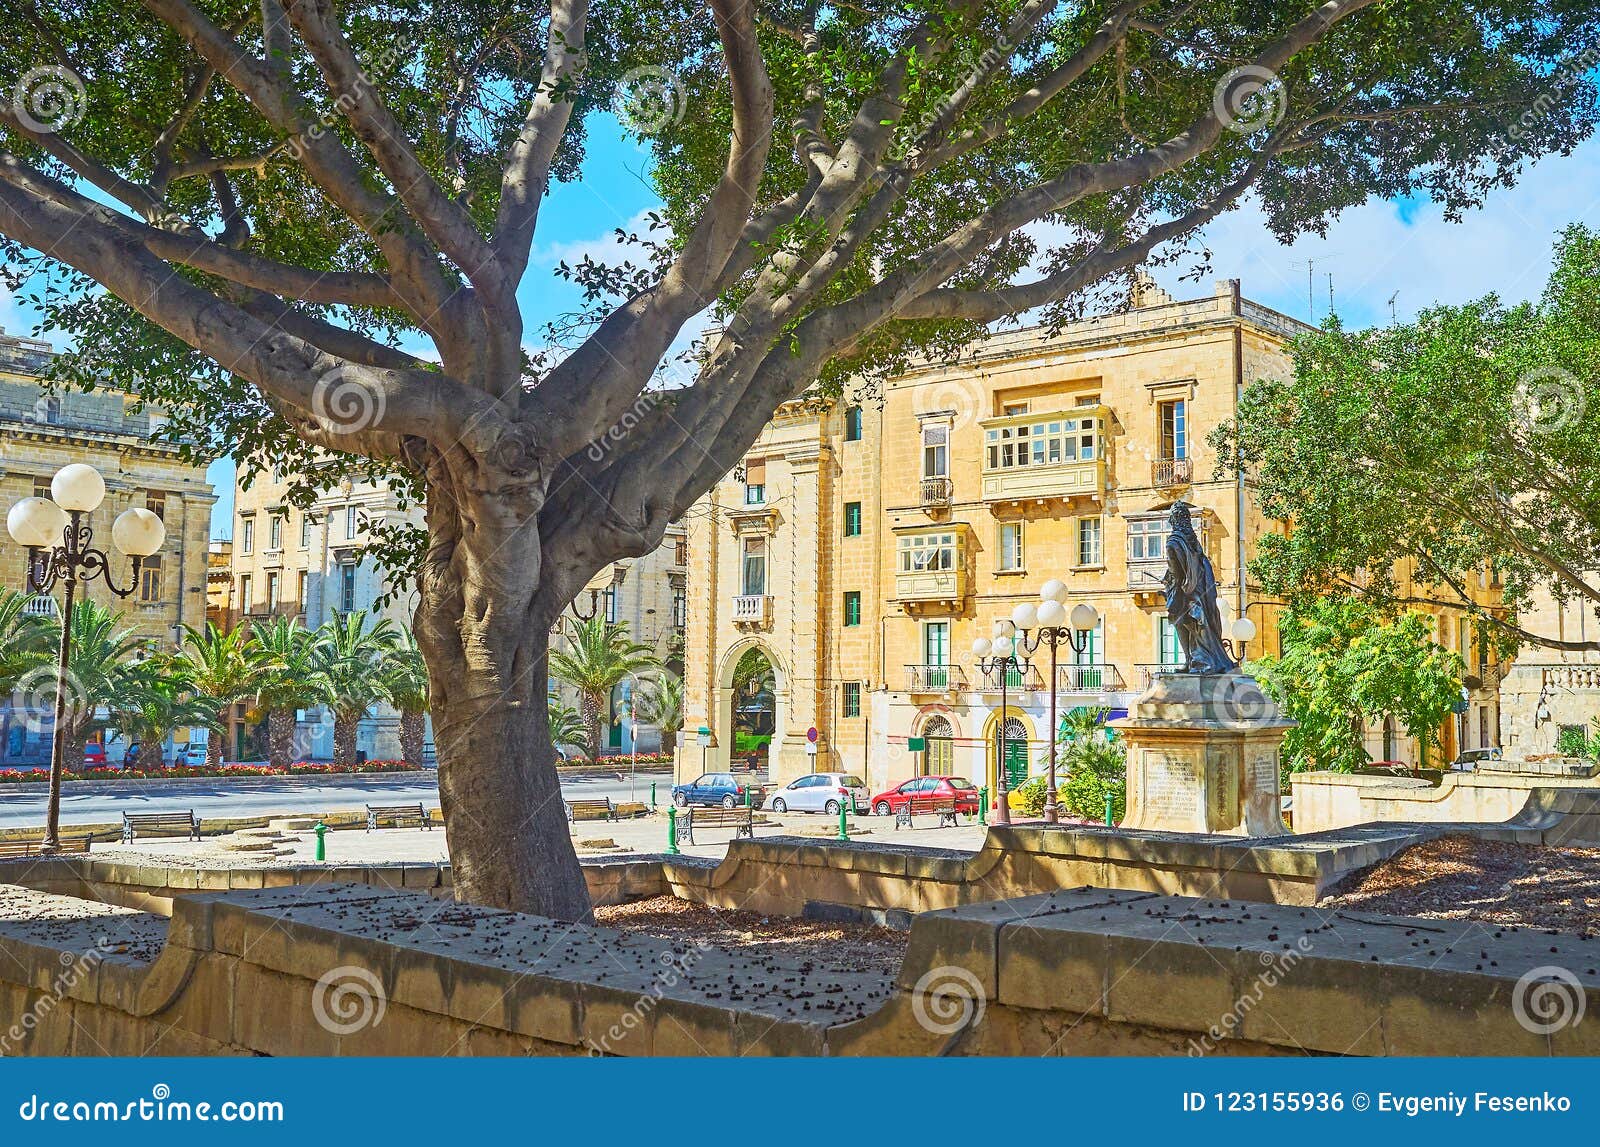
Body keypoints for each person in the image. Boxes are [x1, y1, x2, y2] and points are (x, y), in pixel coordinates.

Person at [1162, 502, 1237, 674]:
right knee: (1196, 626)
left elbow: (1177, 574)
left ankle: (1193, 660)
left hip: (1186, 593)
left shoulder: (1173, 542)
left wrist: (1170, 586)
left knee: (1179, 620)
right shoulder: (1193, 542)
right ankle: (1195, 660)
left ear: (1173, 519)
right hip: (1201, 593)